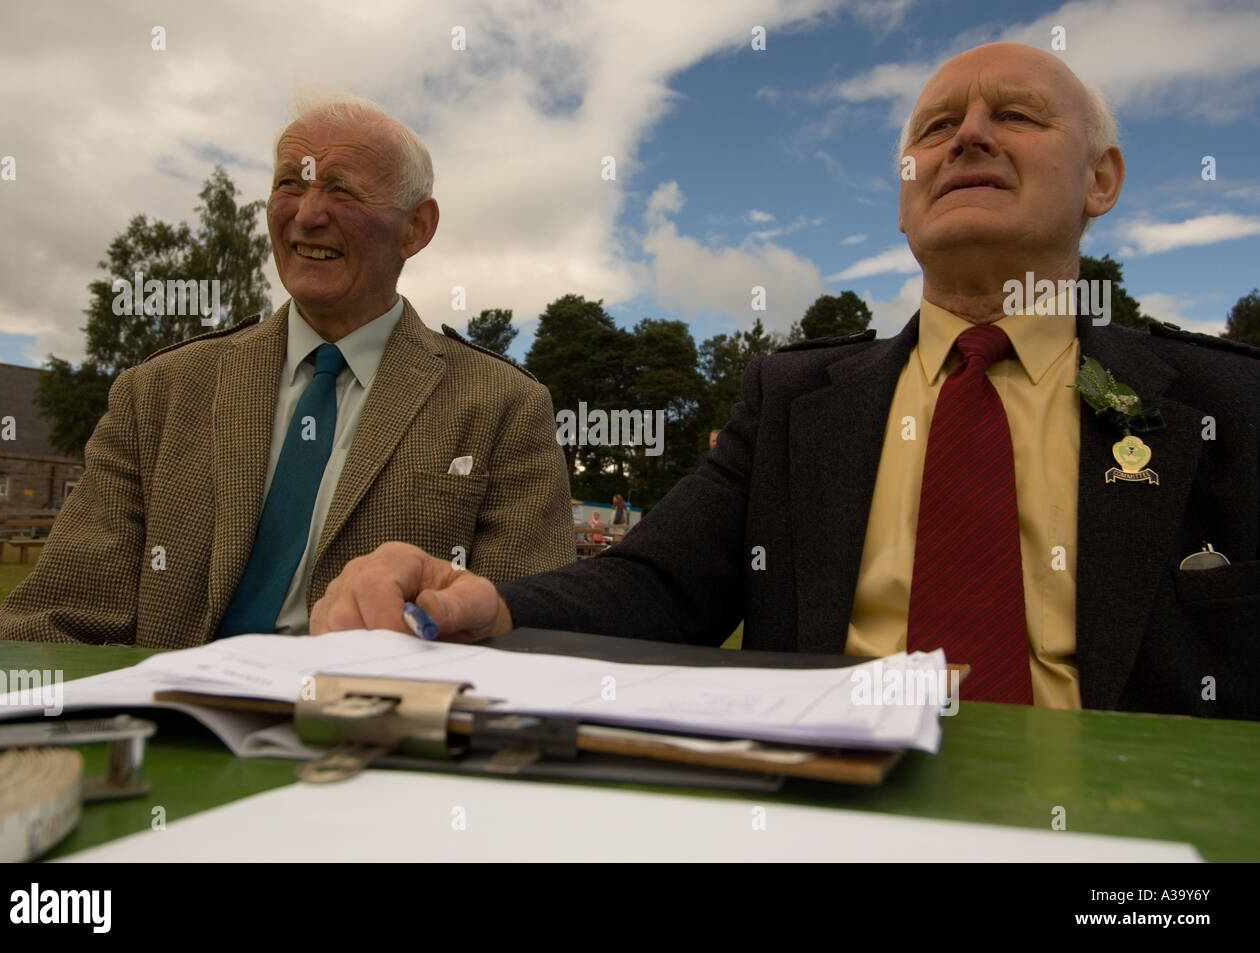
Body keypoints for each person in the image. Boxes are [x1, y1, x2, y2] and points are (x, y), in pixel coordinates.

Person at [308, 45, 1259, 721]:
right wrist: (489, 599)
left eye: (1014, 115)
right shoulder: (792, 405)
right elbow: (655, 583)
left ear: (1102, 179)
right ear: (902, 194)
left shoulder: (1229, 407)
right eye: (936, 127)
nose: (967, 136)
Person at [0, 95, 573, 648]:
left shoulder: (504, 405)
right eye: (289, 184)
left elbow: (521, 633)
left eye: (341, 190)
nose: (308, 213)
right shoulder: (157, 394)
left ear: (416, 228)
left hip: (372, 733)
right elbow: (53, 623)